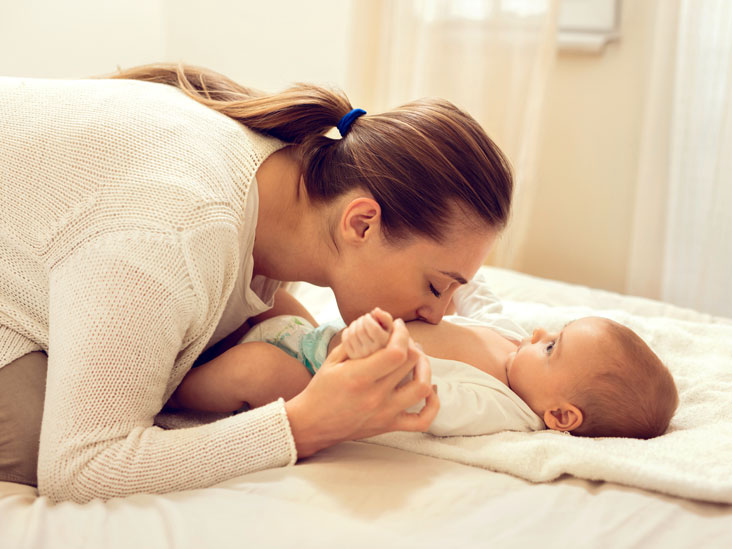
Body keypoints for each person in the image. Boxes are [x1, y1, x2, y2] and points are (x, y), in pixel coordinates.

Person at [0, 62, 513, 502]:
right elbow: (82, 468)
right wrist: (307, 424)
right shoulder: (174, 234)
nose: (439, 314)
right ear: (362, 223)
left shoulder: (284, 181)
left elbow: (230, 291)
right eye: (435, 286)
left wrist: (314, 352)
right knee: (34, 438)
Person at [170, 306, 678, 440]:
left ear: (561, 415)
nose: (538, 333)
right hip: (312, 334)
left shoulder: (498, 406)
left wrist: (382, 353)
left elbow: (424, 398)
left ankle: (168, 391)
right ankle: (189, 338)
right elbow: (481, 301)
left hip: (310, 375)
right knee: (269, 298)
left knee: (252, 370)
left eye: (551, 347)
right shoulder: (508, 342)